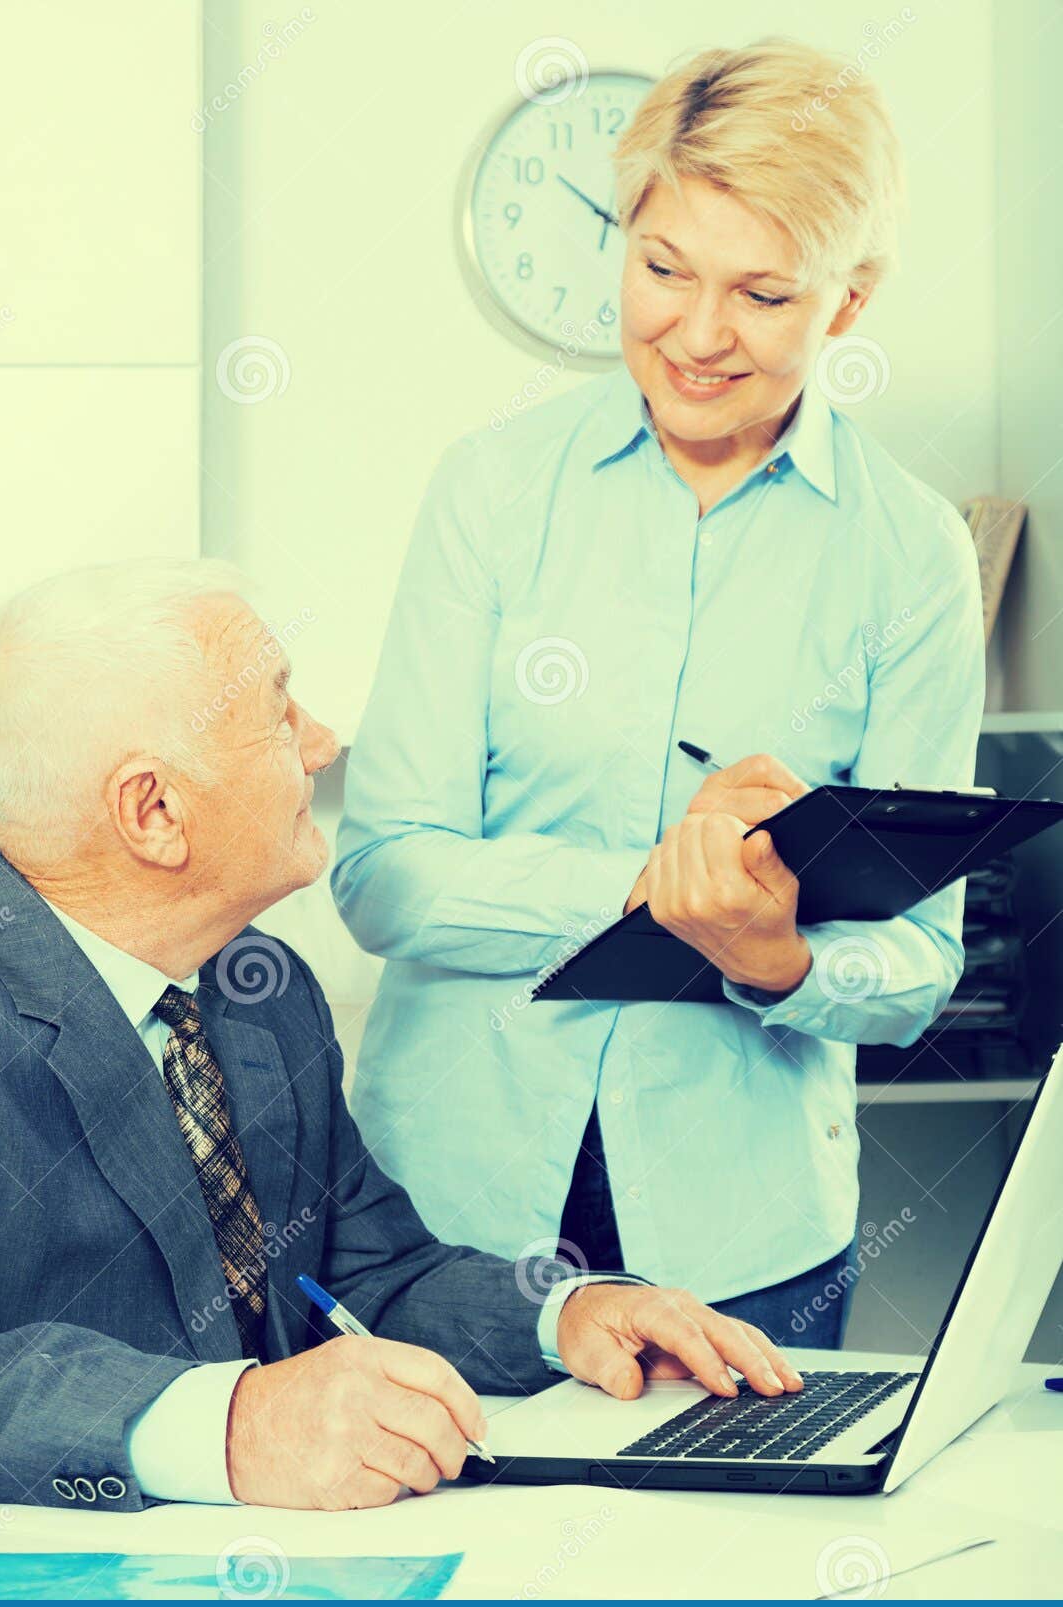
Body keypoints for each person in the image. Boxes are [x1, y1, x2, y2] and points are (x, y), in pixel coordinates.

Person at [0, 562, 801, 1518]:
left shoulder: (261, 985)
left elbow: (367, 1272)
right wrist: (239, 1425)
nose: (325, 742)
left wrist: (565, 1315)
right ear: (154, 811)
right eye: (277, 714)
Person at [331, 39, 985, 1346]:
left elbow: (919, 961)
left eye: (762, 293)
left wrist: (776, 957)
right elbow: (384, 876)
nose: (696, 335)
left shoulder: (913, 556)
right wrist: (648, 888)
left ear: (847, 304)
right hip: (452, 1220)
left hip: (749, 1241)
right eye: (663, 269)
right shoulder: (491, 492)